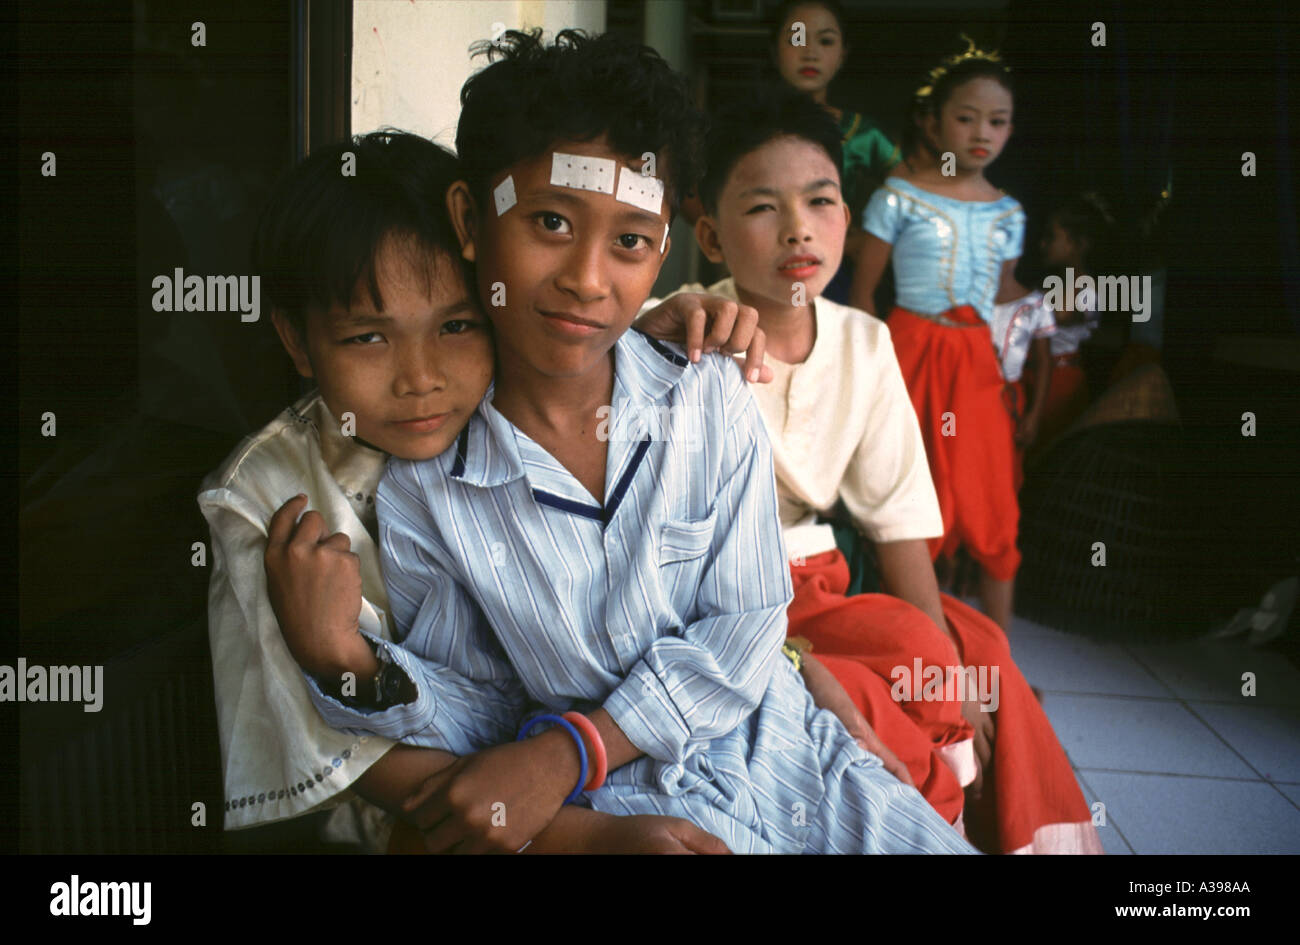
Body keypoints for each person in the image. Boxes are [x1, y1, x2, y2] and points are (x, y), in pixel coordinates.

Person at [284, 28, 973, 855]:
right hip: (628, 815)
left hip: (802, 768)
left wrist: (574, 746)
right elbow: (478, 702)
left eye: (631, 242)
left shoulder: (707, 394)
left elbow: (748, 622)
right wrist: (350, 664)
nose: (587, 277)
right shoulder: (430, 486)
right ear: (471, 218)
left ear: (665, 251)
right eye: (548, 220)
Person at [199, 129, 773, 854]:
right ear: (296, 339)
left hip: (591, 761)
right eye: (367, 339)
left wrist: (667, 321)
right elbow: (362, 770)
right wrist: (336, 656)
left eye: (457, 325)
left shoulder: (522, 388)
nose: (420, 378)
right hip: (446, 820)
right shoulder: (262, 502)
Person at [676, 85, 1102, 853]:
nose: (798, 229)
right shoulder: (685, 327)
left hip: (823, 580)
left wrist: (943, 649)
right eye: (762, 207)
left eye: (821, 201)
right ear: (710, 233)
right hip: (722, 594)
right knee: (897, 678)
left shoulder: (864, 343)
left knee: (974, 657)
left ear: (848, 215)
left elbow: (899, 517)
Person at [850, 37, 1027, 633]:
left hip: (976, 363)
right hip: (909, 351)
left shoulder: (1009, 212)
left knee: (992, 498)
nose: (983, 131)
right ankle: (912, 646)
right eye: (966, 116)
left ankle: (999, 658)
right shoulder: (899, 196)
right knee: (904, 490)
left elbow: (1005, 300)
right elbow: (863, 296)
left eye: (998, 121)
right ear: (933, 121)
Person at [770, 0, 898, 303]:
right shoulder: (748, 129)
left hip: (837, 272)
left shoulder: (866, 134)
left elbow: (913, 191)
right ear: (775, 51)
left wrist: (865, 240)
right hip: (765, 263)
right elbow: (697, 189)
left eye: (826, 41)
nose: (810, 51)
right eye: (797, 38)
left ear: (842, 55)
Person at [1033, 191, 1117, 450]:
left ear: (1078, 244)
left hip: (1060, 381)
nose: (1042, 244)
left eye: (1051, 237)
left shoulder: (1088, 290)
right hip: (1041, 376)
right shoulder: (1052, 285)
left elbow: (1054, 316)